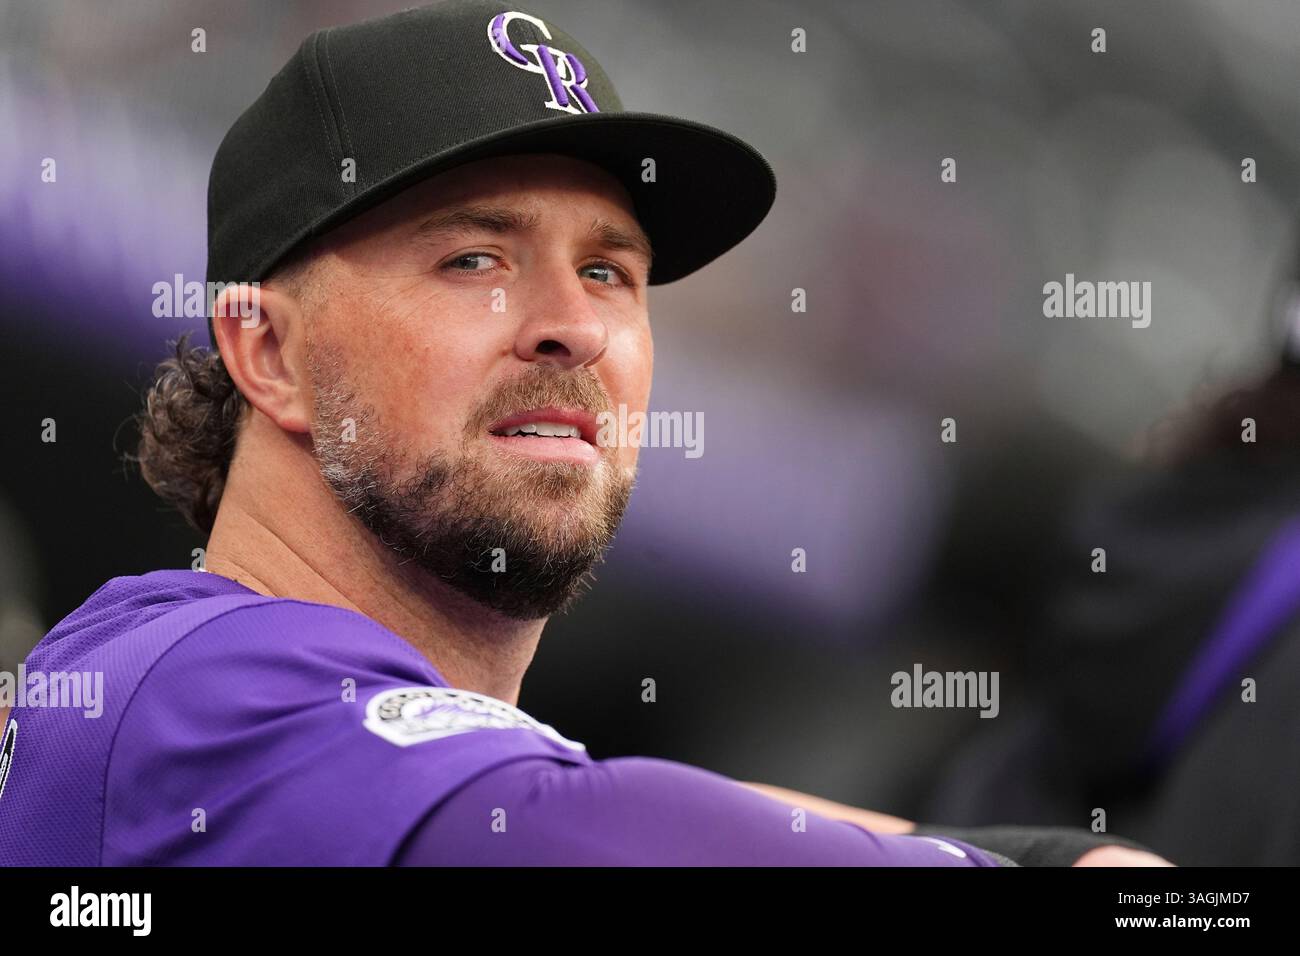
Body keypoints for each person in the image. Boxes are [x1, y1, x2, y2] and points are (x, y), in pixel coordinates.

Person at [0, 0, 1166, 867]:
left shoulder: (382, 759)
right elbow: (591, 826)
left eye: (610, 269)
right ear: (268, 352)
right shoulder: (187, 680)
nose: (574, 328)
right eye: (475, 258)